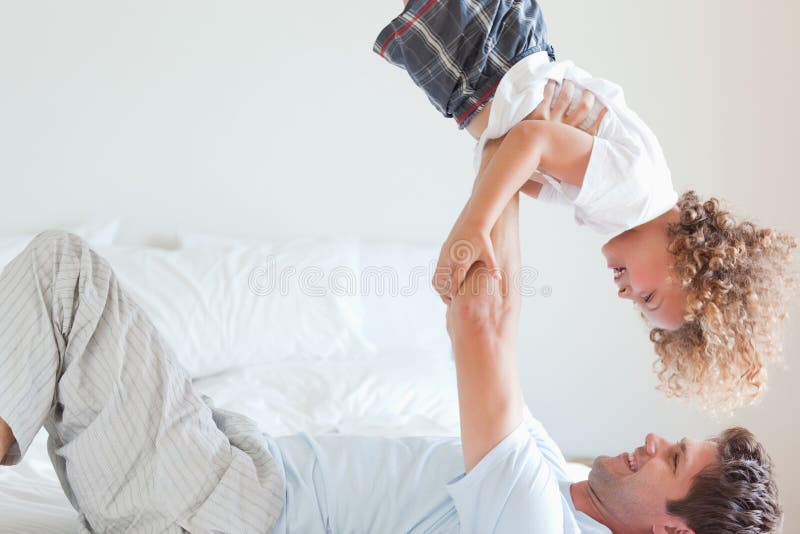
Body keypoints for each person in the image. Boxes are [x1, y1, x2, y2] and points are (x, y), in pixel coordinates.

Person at [0, 199, 782, 531]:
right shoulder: (557, 477)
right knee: (82, 327)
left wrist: (506, 151)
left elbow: (476, 325)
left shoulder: (537, 522)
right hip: (225, 471)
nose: (652, 440)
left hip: (224, 511)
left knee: (63, 273)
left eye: (674, 458)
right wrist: (516, 137)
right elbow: (502, 314)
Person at [374, 0, 796, 411]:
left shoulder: (614, 207)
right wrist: (476, 223)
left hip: (477, 76)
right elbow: (529, 141)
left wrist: (514, 178)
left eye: (638, 306)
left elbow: (530, 177)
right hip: (491, 49)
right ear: (686, 257)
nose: (625, 293)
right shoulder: (635, 190)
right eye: (648, 297)